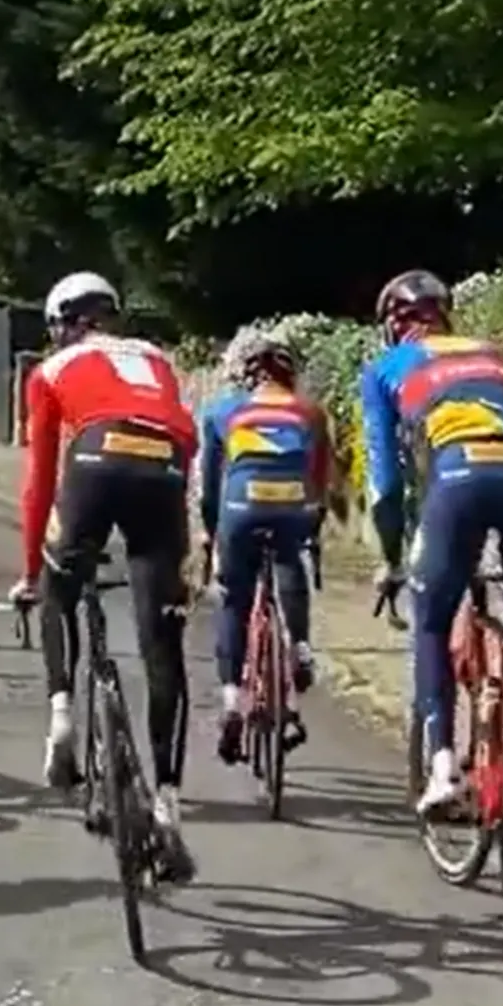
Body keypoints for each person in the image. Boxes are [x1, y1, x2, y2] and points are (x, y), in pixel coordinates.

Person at [360, 268, 503, 814]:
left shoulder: (384, 368)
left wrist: (391, 557)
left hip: (460, 476)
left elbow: (385, 484)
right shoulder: (492, 353)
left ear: (392, 327)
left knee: (431, 619)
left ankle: (442, 770)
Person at [11, 270, 196, 881]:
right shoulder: (157, 359)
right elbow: (186, 438)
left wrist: (33, 568)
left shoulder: (52, 370)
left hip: (94, 460)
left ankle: (62, 715)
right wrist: (182, 556)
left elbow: (40, 478)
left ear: (63, 323)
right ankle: (169, 808)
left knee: (59, 591)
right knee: (161, 645)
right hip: (165, 467)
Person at [196, 327, 331, 765]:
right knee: (291, 560)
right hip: (293, 505)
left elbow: (209, 488)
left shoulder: (221, 411)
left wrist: (209, 533)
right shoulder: (310, 412)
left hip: (240, 507)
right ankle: (300, 650)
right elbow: (319, 480)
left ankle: (233, 702)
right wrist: (315, 525)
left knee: (235, 600)